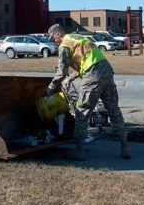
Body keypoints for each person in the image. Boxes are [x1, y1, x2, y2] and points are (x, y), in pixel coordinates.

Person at [46, 23, 129, 161]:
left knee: (81, 113)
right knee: (114, 110)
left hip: (92, 75)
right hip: (107, 71)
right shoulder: (77, 38)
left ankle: (79, 152)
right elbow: (85, 61)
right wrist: (71, 79)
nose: (53, 41)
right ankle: (124, 147)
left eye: (53, 38)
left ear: (58, 33)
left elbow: (61, 73)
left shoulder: (64, 45)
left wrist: (51, 87)